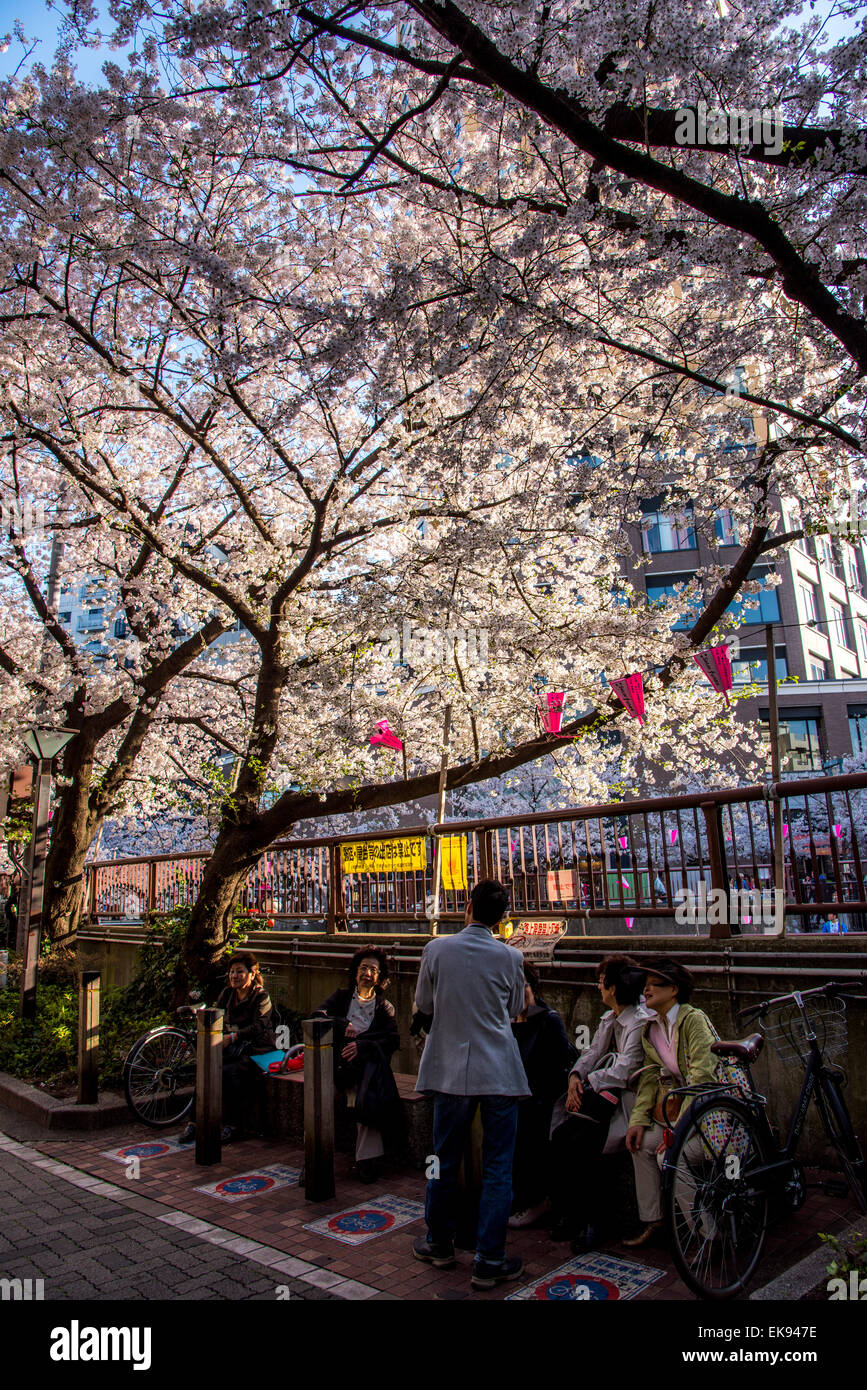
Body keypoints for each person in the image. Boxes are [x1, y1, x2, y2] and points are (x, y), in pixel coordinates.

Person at [411, 878, 529, 1290]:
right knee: (499, 1166)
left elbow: (424, 1004)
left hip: (449, 1072)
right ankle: (489, 1258)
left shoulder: (437, 949)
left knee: (443, 1159)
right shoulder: (510, 958)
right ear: (503, 918)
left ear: (467, 908)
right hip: (499, 1071)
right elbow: (516, 1008)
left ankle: (439, 1242)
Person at [548, 955, 652, 1250]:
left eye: (602, 982)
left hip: (625, 1102)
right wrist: (575, 1076)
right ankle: (571, 1214)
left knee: (587, 1145)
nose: (598, 987)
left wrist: (587, 1082)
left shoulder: (638, 1022)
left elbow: (626, 1070)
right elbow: (592, 1051)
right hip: (602, 1100)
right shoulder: (611, 1018)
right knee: (561, 1137)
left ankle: (595, 1221)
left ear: (614, 989)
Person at [623, 957, 719, 1247]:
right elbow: (652, 1078)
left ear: (674, 989)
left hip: (710, 1113)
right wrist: (638, 1121)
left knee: (670, 1156)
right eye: (646, 985)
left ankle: (708, 1235)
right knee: (640, 1145)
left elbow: (703, 1078)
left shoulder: (693, 1020)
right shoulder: (651, 1029)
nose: (647, 990)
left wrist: (677, 1131)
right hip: (681, 1116)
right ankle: (655, 1219)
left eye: (655, 984)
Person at [313, 946, 403, 1181]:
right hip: (339, 1069)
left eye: (374, 970)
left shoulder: (384, 1007)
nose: (368, 973)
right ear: (355, 972)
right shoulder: (341, 997)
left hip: (368, 1072)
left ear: (379, 977)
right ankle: (315, 1159)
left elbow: (392, 1040)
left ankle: (367, 1161)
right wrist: (344, 1024)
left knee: (367, 1100)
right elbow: (318, 1014)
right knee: (321, 1101)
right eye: (364, 968)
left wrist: (363, 1046)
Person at [179, 951, 277, 1144]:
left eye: (239, 972)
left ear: (252, 973)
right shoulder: (227, 994)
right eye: (232, 972)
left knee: (231, 1072)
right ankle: (194, 1122)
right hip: (232, 1047)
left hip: (256, 1048)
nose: (234, 976)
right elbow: (217, 1018)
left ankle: (234, 1126)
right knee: (206, 1068)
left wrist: (233, 1037)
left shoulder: (261, 996)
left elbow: (259, 1026)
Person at [507, 961, 576, 1229]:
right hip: (518, 1097)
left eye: (522, 986)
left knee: (528, 1137)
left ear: (533, 987)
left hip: (542, 1102)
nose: (517, 994)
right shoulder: (510, 1021)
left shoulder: (548, 1020)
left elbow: (560, 1065)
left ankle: (537, 1201)